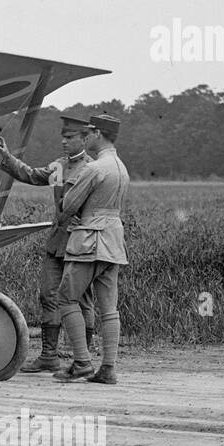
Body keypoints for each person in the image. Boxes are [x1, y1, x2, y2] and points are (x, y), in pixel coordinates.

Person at [0, 115, 95, 373]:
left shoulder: (93, 169)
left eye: (70, 137)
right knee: (48, 295)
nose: (64, 141)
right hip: (57, 243)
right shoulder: (60, 167)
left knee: (82, 300)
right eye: (63, 136)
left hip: (81, 244)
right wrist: (8, 157)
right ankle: (49, 356)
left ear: (85, 139)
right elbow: (34, 176)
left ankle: (82, 358)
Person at [53, 113, 129, 384]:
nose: (87, 137)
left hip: (89, 241)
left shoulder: (95, 168)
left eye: (90, 132)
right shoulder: (120, 167)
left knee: (66, 298)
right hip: (113, 242)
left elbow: (68, 205)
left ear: (98, 134)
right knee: (109, 308)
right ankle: (108, 368)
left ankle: (82, 362)